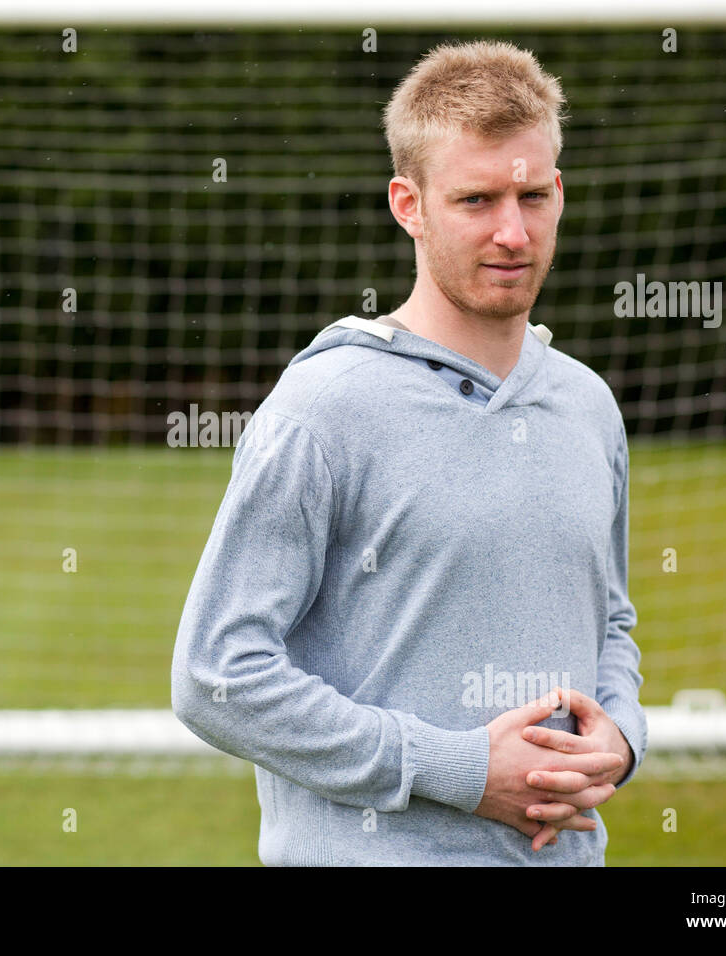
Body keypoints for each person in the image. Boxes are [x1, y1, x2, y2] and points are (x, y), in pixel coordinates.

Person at [170, 39, 646, 865]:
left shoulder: (587, 405)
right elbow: (218, 676)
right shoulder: (325, 408)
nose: (512, 231)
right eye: (475, 199)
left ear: (559, 191)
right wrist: (459, 769)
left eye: (533, 195)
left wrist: (622, 734)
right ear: (408, 203)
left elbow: (608, 618)